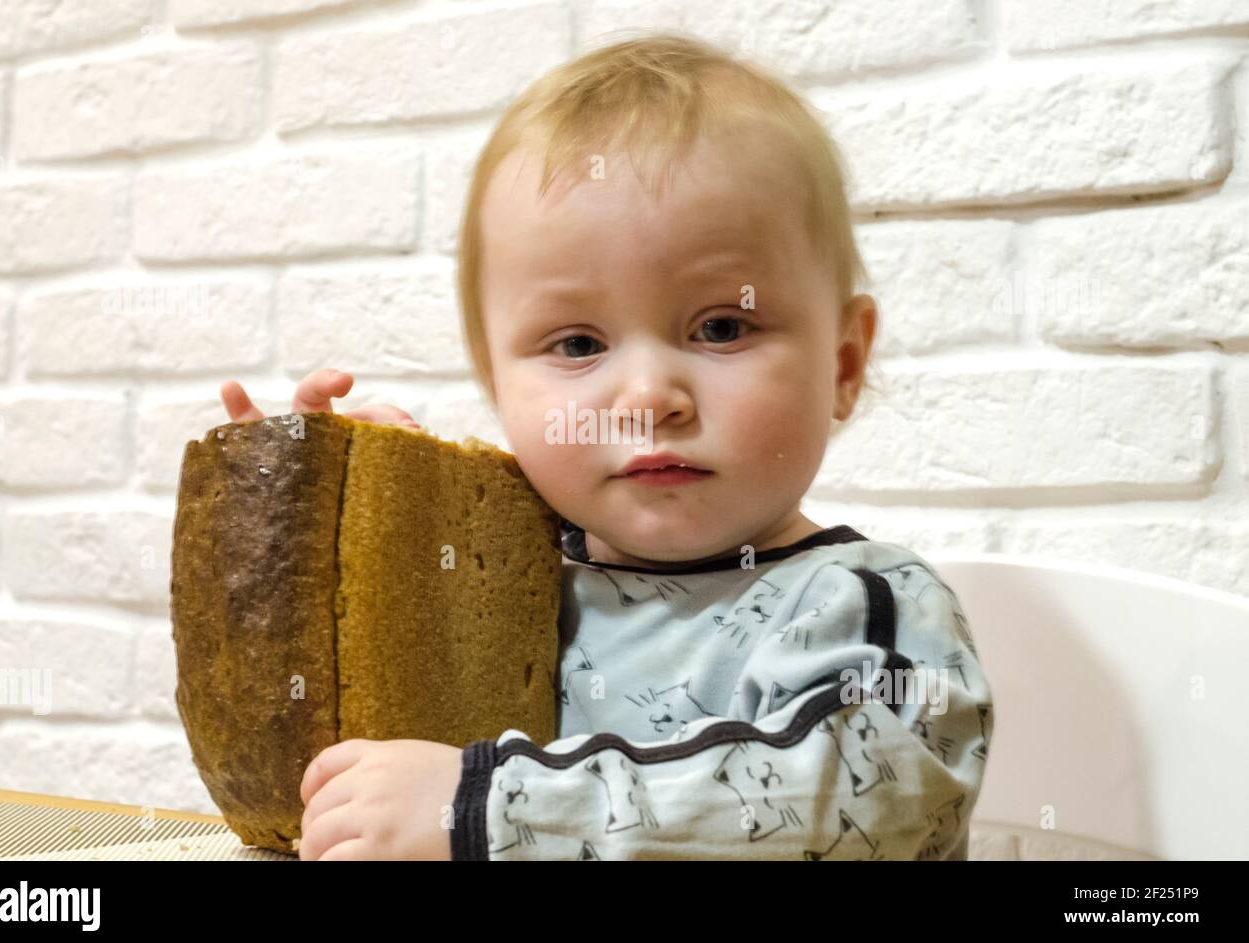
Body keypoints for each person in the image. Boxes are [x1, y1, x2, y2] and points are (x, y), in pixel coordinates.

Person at [222, 32, 993, 860]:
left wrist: (488, 807)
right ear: (497, 384)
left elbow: (854, 800)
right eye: (579, 345)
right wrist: (356, 532)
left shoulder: (865, 605)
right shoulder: (520, 594)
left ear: (842, 364)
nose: (647, 396)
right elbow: (374, 786)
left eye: (722, 326)